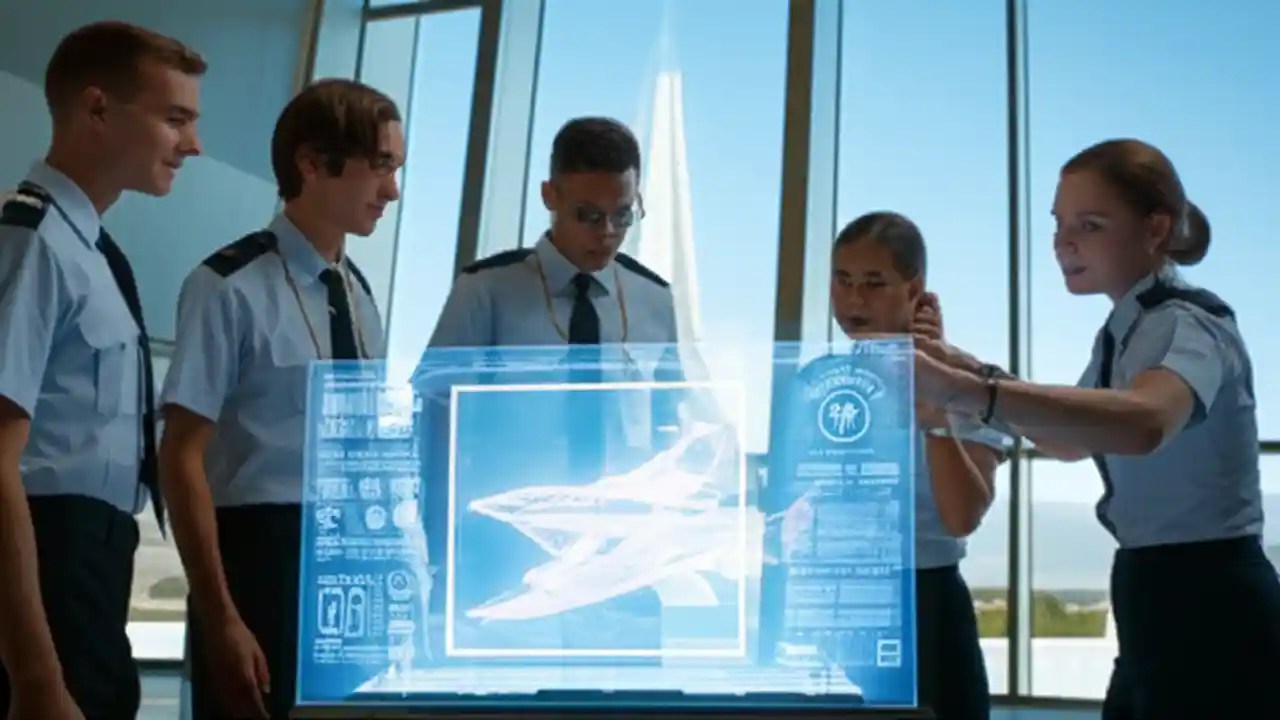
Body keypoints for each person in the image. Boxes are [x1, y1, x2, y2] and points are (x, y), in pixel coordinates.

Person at [912, 138, 1280, 719]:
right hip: (1152, 586)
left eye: (1089, 224)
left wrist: (965, 390)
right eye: (1058, 224)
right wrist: (968, 368)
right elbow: (1069, 440)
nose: (1063, 242)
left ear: (1155, 229)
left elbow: (1146, 422)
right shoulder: (1126, 331)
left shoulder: (1191, 324)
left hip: (1209, 597)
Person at [157, 78, 402, 719]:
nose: (392, 191)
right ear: (313, 164)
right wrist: (220, 616)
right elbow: (180, 456)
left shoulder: (360, 296)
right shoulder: (229, 286)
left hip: (354, 559)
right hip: (261, 558)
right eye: (381, 166)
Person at [0, 21, 204, 720]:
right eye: (174, 119)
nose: (194, 144)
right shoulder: (34, 243)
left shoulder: (93, 252)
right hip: (47, 564)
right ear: (96, 110)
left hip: (95, 566)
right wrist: (34, 675)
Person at [419, 116, 682, 651]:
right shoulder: (486, 290)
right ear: (549, 196)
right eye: (588, 215)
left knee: (623, 696)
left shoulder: (654, 298)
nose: (607, 233)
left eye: (623, 215)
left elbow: (668, 425)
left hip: (619, 553)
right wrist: (436, 545)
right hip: (504, 550)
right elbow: (436, 425)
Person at [830, 212, 1006, 719]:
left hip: (926, 598)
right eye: (842, 281)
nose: (854, 300)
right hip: (839, 598)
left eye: (873, 283)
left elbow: (962, 516)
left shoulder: (968, 382)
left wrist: (933, 413)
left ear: (914, 290)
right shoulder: (825, 383)